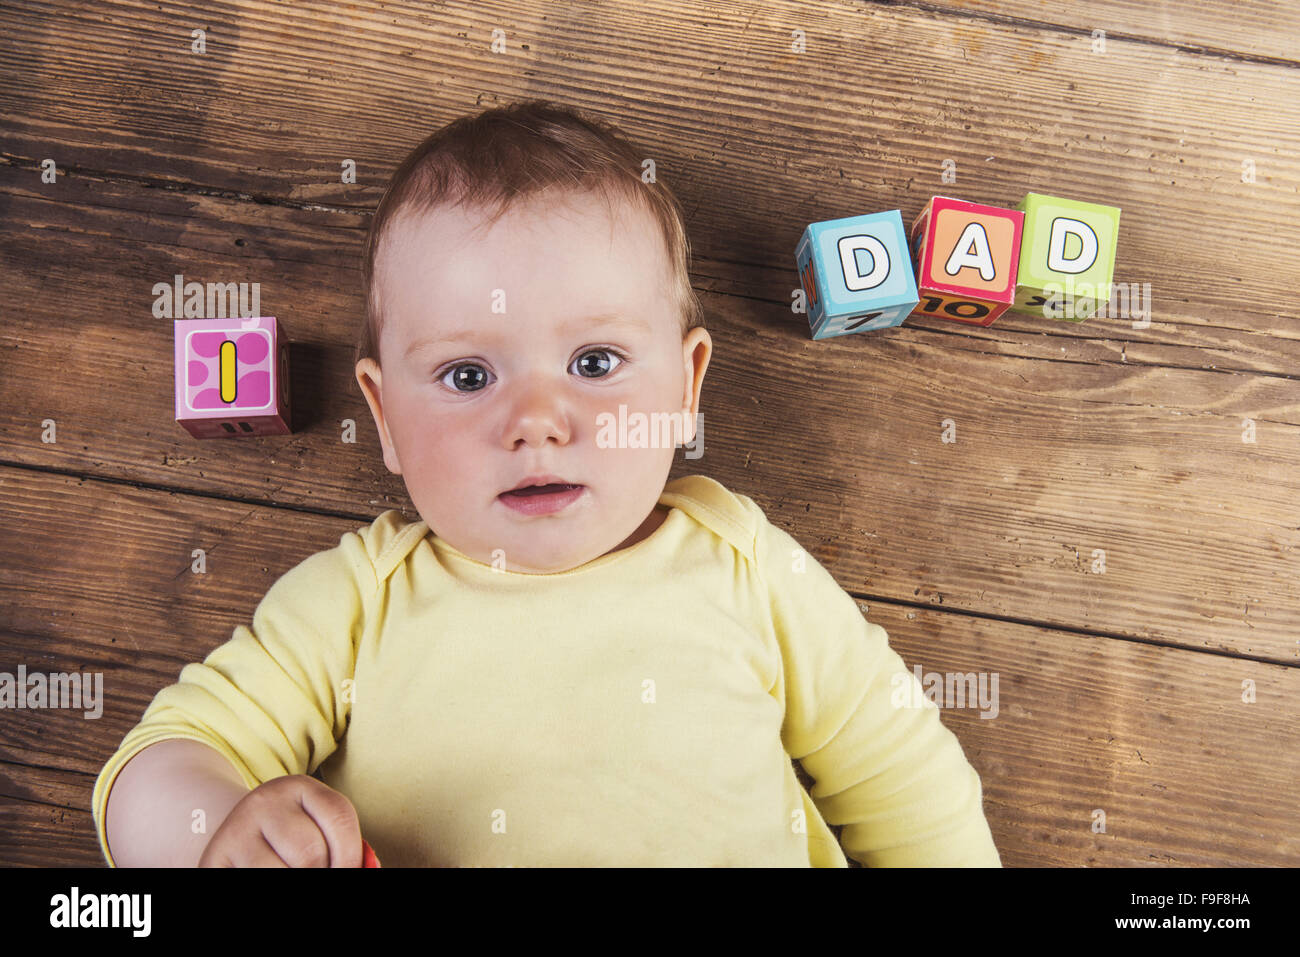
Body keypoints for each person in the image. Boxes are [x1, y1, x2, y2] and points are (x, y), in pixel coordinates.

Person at [92, 99, 1001, 867]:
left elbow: (906, 778)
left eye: (596, 361)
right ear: (383, 419)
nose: (536, 420)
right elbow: (160, 760)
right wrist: (219, 832)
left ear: (685, 390)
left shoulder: (744, 563)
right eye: (467, 376)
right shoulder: (358, 602)